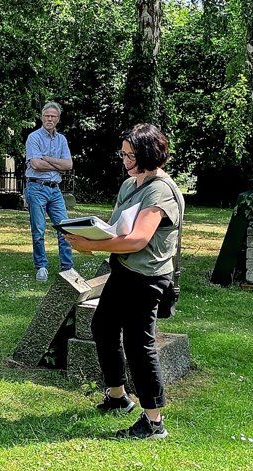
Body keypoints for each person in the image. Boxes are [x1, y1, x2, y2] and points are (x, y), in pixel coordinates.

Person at [64, 124, 184, 440]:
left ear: (146, 154)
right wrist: (93, 231)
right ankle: (118, 397)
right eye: (123, 153)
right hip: (124, 272)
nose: (124, 159)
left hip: (147, 279)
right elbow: (119, 229)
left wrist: (92, 245)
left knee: (138, 345)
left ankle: (154, 422)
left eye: (129, 154)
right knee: (102, 326)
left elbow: (137, 240)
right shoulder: (131, 184)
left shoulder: (160, 191)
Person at [25, 102, 74, 282]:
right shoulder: (34, 137)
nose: (50, 119)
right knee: (39, 230)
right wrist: (56, 164)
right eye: (47, 116)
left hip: (55, 190)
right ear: (41, 117)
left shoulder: (62, 139)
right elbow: (35, 165)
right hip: (36, 187)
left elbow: (68, 165)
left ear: (58, 119)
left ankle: (67, 269)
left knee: (65, 229)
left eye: (53, 116)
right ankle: (41, 266)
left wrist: (46, 158)